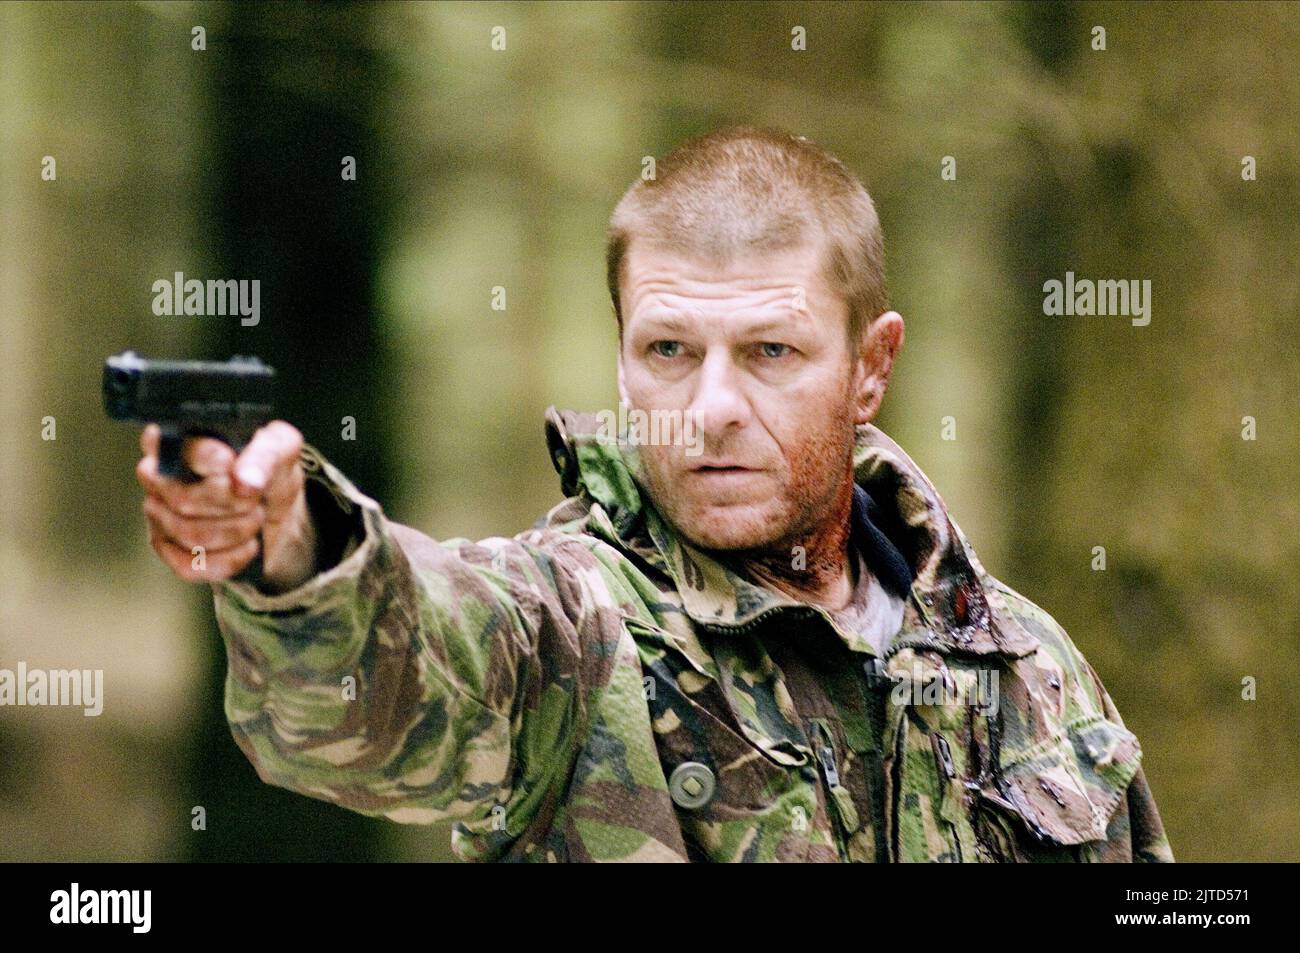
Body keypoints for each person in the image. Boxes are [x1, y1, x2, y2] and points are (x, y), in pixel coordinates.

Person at [135, 126, 1174, 862]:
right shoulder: (570, 628)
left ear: (870, 364)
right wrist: (295, 546)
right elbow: (397, 673)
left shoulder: (1022, 663)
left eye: (770, 350)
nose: (711, 406)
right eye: (669, 349)